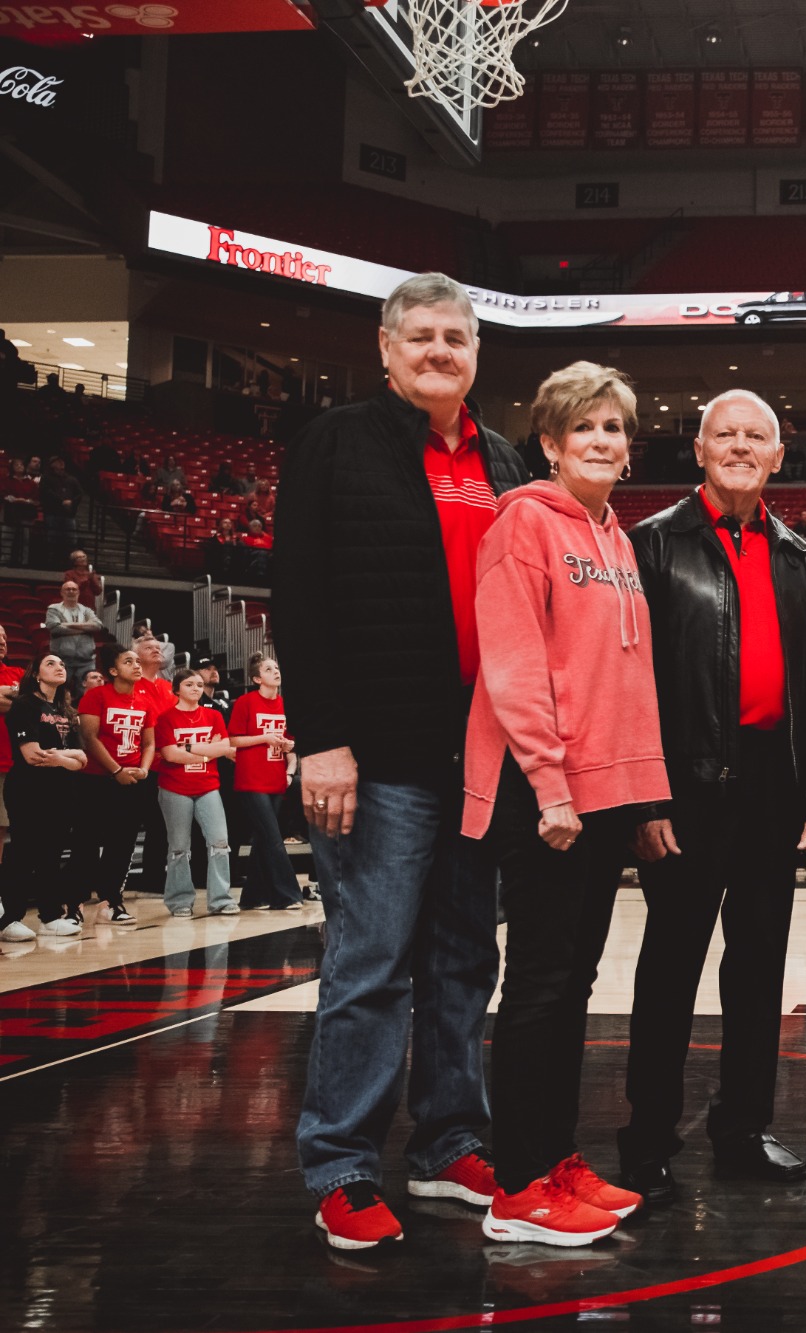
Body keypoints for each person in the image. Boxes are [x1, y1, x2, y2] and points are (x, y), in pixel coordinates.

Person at [275, 272, 529, 1250]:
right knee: (371, 961)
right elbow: (297, 594)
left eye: (453, 338)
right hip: (375, 757)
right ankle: (342, 1161)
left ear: (475, 354)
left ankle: (446, 1140)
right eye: (418, 336)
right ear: (384, 348)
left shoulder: (503, 458)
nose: (436, 351)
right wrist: (321, 737)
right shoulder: (336, 441)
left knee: (464, 960)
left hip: (479, 760)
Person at [463, 362, 673, 1245]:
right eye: (583, 428)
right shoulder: (524, 524)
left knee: (574, 981)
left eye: (614, 430)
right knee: (541, 987)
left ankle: (555, 1160)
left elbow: (629, 682)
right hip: (542, 793)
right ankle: (517, 1186)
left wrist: (646, 794)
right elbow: (511, 668)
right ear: (549, 443)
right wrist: (550, 786)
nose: (601, 442)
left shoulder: (617, 539)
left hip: (606, 794)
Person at [620, 387, 806, 1203]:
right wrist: (645, 800)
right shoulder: (651, 544)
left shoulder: (798, 554)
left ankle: (742, 1126)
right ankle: (647, 1139)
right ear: (699, 449)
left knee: (759, 972)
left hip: (773, 793)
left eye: (759, 436)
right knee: (670, 969)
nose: (742, 446)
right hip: (683, 791)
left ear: (780, 456)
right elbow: (629, 683)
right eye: (726, 434)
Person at [2, 655, 90, 936]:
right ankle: (9, 919)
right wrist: (71, 757)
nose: (59, 667)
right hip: (28, 789)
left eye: (62, 664)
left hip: (61, 790)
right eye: (51, 663)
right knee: (24, 852)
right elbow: (33, 755)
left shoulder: (66, 710)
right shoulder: (25, 704)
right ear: (37, 674)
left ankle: (50, 917)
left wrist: (63, 757)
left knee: (51, 854)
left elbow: (82, 760)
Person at [77, 646, 154, 926]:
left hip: (132, 781)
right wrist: (116, 770)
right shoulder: (95, 696)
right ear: (112, 670)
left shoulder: (144, 699)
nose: (136, 665)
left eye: (137, 661)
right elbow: (89, 738)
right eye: (128, 661)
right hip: (96, 780)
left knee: (122, 845)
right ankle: (74, 904)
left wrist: (143, 769)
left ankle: (111, 903)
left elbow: (149, 741)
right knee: (86, 842)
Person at [151, 667, 234, 918]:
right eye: (189, 684)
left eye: (199, 685)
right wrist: (209, 750)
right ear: (176, 689)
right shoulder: (166, 718)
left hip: (208, 786)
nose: (196, 688)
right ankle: (179, 901)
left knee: (220, 842)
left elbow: (225, 747)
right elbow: (169, 754)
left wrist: (192, 748)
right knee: (178, 847)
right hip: (174, 788)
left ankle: (220, 900)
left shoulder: (214, 716)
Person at [227, 653, 301, 910]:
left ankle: (253, 896)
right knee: (272, 837)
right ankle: (288, 895)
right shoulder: (246, 702)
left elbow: (290, 744)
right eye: (269, 669)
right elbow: (234, 740)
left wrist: (290, 758)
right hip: (251, 779)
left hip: (277, 779)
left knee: (264, 839)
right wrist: (264, 738)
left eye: (277, 667)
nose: (276, 672)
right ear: (258, 678)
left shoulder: (285, 704)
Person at [45, 580, 102, 689]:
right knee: (60, 693)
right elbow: (55, 628)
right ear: (62, 592)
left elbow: (97, 625)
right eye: (68, 589)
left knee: (86, 693)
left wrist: (69, 624)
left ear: (78, 592)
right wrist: (85, 628)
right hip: (62, 661)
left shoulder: (86, 611)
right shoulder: (54, 609)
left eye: (74, 589)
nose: (71, 591)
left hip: (86, 660)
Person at [39, 456, 82, 564]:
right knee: (52, 538)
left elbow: (80, 494)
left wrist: (72, 501)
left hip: (68, 514)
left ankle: (70, 562)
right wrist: (60, 501)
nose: (61, 468)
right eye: (58, 466)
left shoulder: (71, 479)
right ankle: (50, 561)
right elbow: (46, 493)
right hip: (52, 512)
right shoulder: (46, 478)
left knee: (71, 540)